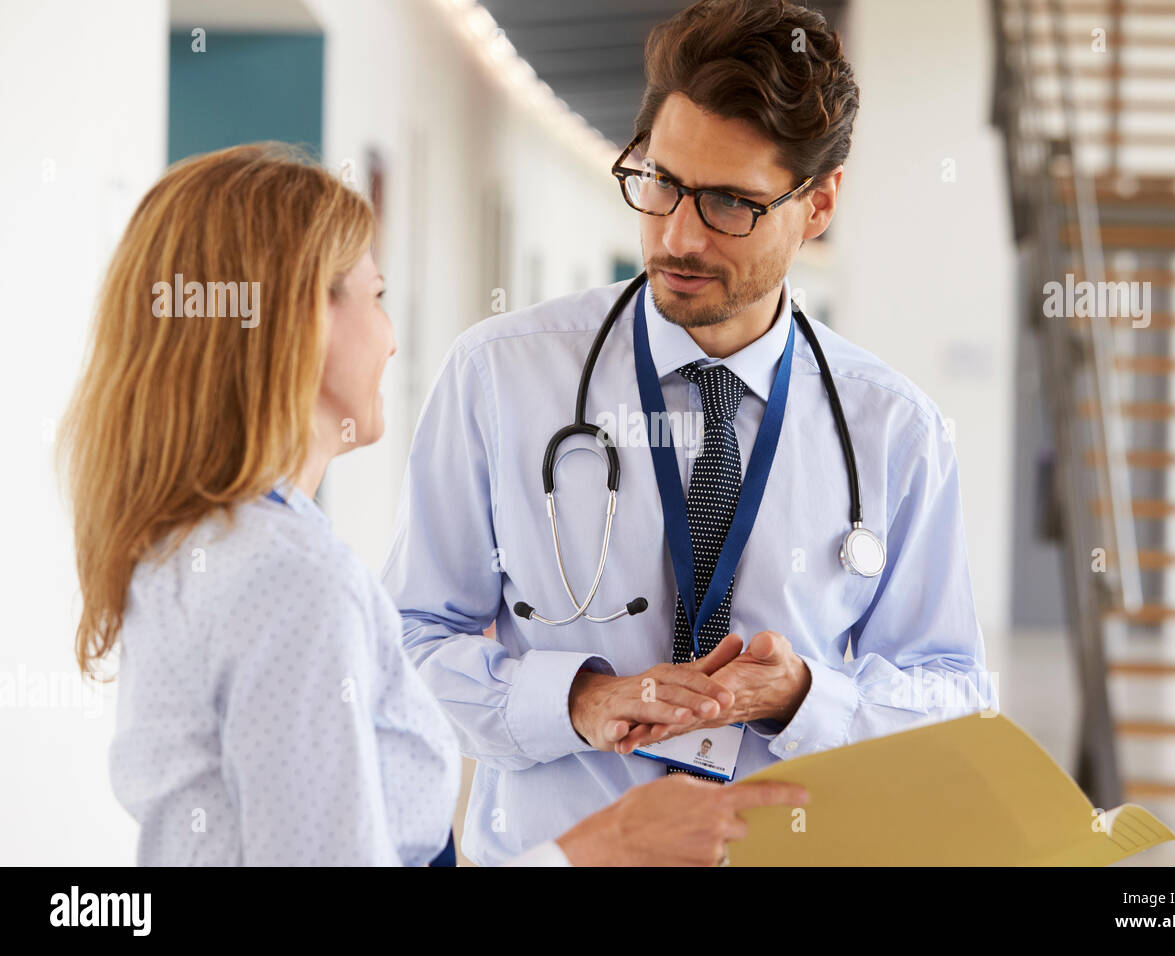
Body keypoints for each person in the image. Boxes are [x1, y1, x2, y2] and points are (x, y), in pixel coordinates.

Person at [57, 142, 806, 866]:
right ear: (301, 320)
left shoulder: (208, 542)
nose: (391, 339)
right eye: (377, 296)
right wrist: (599, 852)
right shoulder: (289, 580)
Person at [382, 0, 997, 867]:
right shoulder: (499, 378)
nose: (677, 235)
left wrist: (807, 700)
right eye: (660, 182)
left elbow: (955, 698)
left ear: (819, 204)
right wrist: (577, 699)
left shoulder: (895, 431)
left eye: (729, 205)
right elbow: (403, 650)